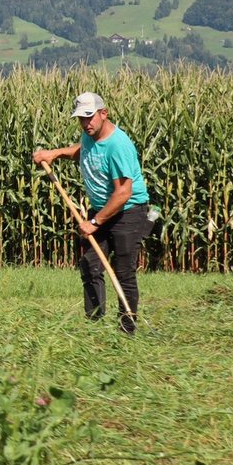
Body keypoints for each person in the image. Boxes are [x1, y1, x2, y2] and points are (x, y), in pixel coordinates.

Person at [32, 91, 155, 335]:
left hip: (127, 212)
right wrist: (55, 153)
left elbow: (123, 193)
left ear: (103, 113)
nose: (86, 123)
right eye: (81, 118)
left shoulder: (119, 145)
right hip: (102, 210)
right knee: (90, 265)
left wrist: (95, 222)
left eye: (90, 117)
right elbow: (83, 150)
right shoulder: (89, 135)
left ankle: (126, 330)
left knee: (123, 272)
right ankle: (94, 324)